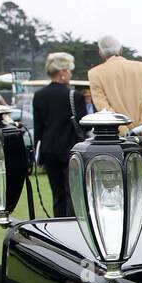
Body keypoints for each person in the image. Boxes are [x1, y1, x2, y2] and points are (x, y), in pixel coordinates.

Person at [88, 36, 142, 210]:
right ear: (121, 49)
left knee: (124, 183)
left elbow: (104, 108)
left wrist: (125, 130)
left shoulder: (95, 74)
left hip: (118, 139)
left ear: (101, 53)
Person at [32, 52, 89, 216]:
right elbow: (83, 126)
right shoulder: (75, 96)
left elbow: (38, 127)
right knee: (73, 194)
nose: (70, 74)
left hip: (49, 150)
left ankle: (58, 226)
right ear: (63, 72)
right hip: (71, 150)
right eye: (69, 71)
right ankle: (71, 227)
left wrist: (39, 155)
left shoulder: (39, 96)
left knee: (57, 195)